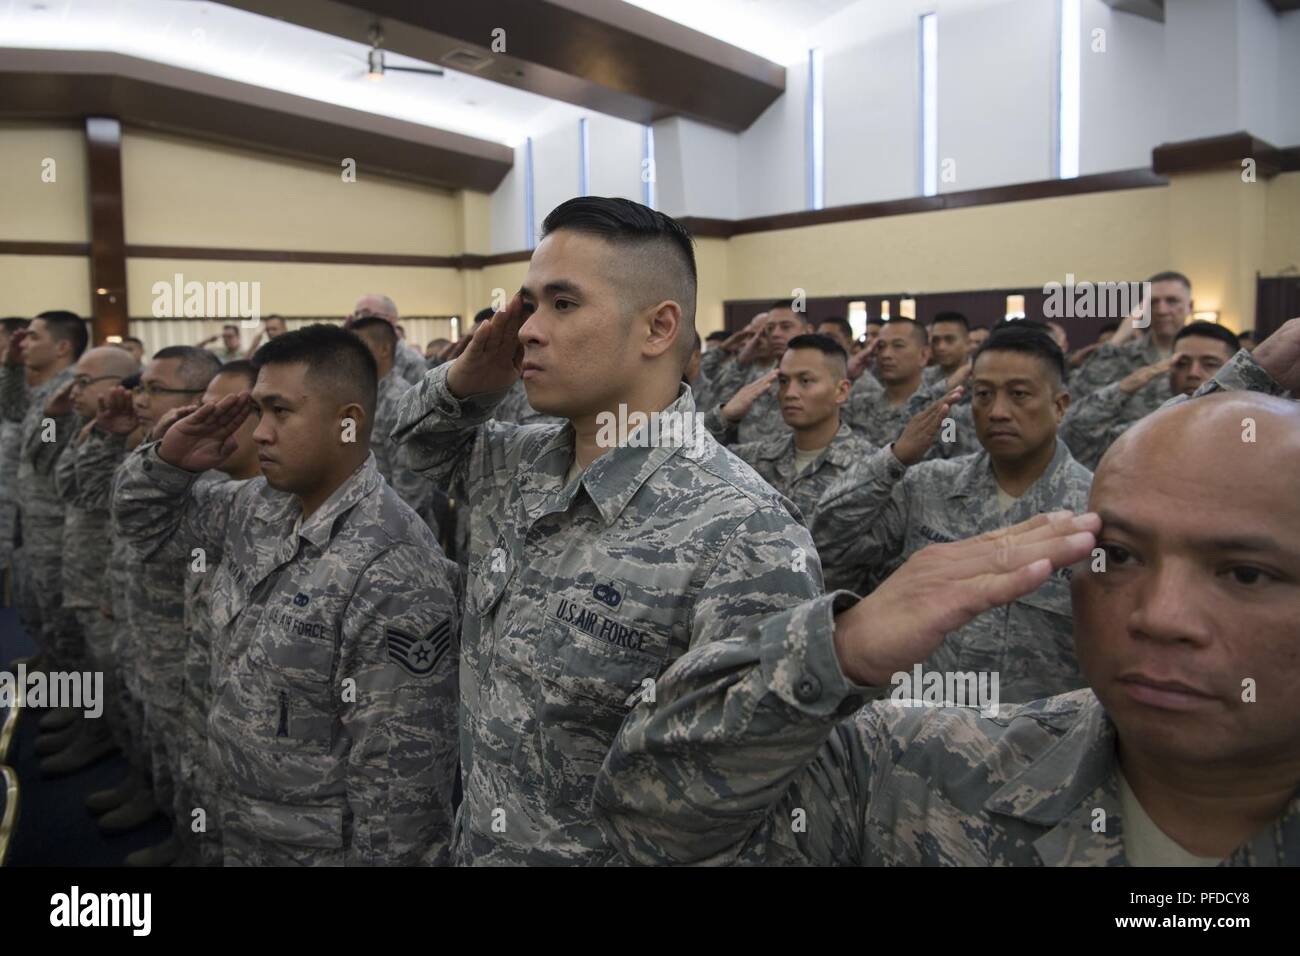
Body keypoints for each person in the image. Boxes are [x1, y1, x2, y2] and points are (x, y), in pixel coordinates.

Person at [592, 323, 1300, 866]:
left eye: (1244, 574)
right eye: (1119, 559)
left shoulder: (1091, 498)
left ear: (1061, 404)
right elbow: (651, 816)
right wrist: (841, 648)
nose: (1162, 616)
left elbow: (1194, 471)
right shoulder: (920, 767)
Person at [392, 196, 823, 865]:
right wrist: (463, 382)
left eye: (562, 305)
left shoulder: (748, 537)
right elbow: (407, 453)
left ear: (658, 329)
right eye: (528, 306)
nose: (529, 330)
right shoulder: (515, 462)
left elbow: (735, 814)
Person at [115, 324, 461, 865]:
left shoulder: (394, 570)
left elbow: (401, 797)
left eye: (281, 411)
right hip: (240, 816)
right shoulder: (257, 506)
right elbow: (144, 528)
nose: (259, 433)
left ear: (348, 425)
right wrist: (169, 460)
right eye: (259, 410)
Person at [814, 324, 1090, 701]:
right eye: (983, 395)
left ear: (1059, 406)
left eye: (1019, 395)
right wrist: (894, 459)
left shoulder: (1093, 508)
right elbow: (829, 543)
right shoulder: (929, 486)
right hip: (922, 732)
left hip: (1038, 740)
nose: (997, 412)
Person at [39, 346, 139, 776]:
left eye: (84, 382)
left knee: (115, 682)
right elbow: (44, 466)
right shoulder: (84, 426)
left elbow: (96, 497)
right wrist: (52, 418)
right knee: (87, 664)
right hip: (80, 569)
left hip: (106, 581)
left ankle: (119, 753)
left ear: (117, 388)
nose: (73, 390)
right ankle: (93, 728)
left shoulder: (128, 435)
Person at [722, 334, 876, 561]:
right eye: (783, 381)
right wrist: (724, 416)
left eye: (805, 381)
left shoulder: (870, 468)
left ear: (841, 391)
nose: (789, 393)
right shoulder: (755, 459)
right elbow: (683, 458)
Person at [0, 312, 87, 702]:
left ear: (62, 347)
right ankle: (52, 665)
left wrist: (53, 419)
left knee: (59, 610)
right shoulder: (45, 388)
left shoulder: (72, 392)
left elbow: (45, 454)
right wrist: (12, 366)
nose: (24, 343)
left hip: (55, 525)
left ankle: (73, 698)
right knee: (36, 603)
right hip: (32, 519)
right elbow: (13, 409)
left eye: (33, 337)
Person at [1060, 322, 1240, 470]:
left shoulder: (1250, 426)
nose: (1193, 373)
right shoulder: (1148, 430)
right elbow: (1073, 434)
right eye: (1182, 364)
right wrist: (1125, 386)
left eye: (1209, 364)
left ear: (1234, 369)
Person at [1070, 271, 1192, 402]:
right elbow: (1079, 398)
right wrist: (1116, 340)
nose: (1161, 310)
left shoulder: (1205, 358)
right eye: (1153, 302)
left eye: (1172, 301)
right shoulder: (1123, 355)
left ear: (1190, 307)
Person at [706, 301, 813, 445]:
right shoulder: (761, 378)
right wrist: (741, 360)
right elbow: (717, 396)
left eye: (785, 327)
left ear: (807, 330)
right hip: (748, 461)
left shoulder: (819, 378)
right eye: (770, 328)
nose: (775, 334)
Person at [840, 317, 935, 446]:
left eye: (898, 346)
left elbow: (956, 459)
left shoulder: (942, 412)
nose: (886, 354)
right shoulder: (857, 406)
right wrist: (847, 374)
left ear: (923, 354)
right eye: (881, 347)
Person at [349, 295, 426, 387]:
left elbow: (423, 397)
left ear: (391, 320)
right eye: (357, 314)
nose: (360, 319)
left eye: (366, 314)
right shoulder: (354, 354)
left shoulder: (412, 361)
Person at [922, 312, 971, 387]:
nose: (941, 347)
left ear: (967, 343)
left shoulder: (981, 373)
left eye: (949, 340)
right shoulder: (923, 377)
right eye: (935, 340)